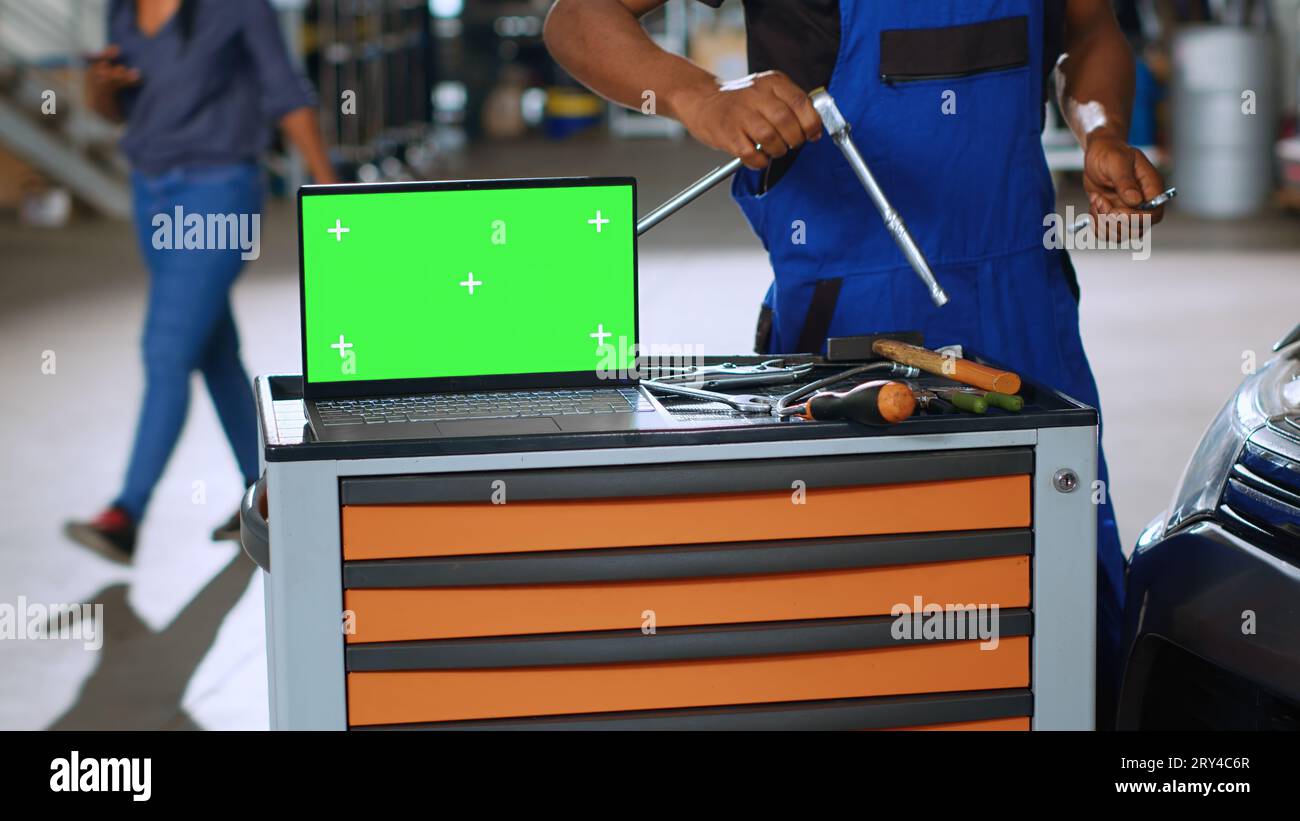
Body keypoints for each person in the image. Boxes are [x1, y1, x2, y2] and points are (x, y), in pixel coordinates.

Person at [544, 0, 1168, 726]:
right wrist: (699, 95)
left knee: (1061, 589)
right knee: (853, 605)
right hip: (849, 323)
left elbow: (1088, 31)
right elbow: (578, 19)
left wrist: (1103, 132)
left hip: (1024, 301)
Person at [66, 0, 337, 564]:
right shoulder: (122, 11)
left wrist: (329, 188)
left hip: (219, 192)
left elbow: (286, 94)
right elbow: (117, 110)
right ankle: (270, 499)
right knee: (211, 350)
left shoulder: (236, 8)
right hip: (152, 193)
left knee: (166, 350)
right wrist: (100, 86)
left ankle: (126, 514)